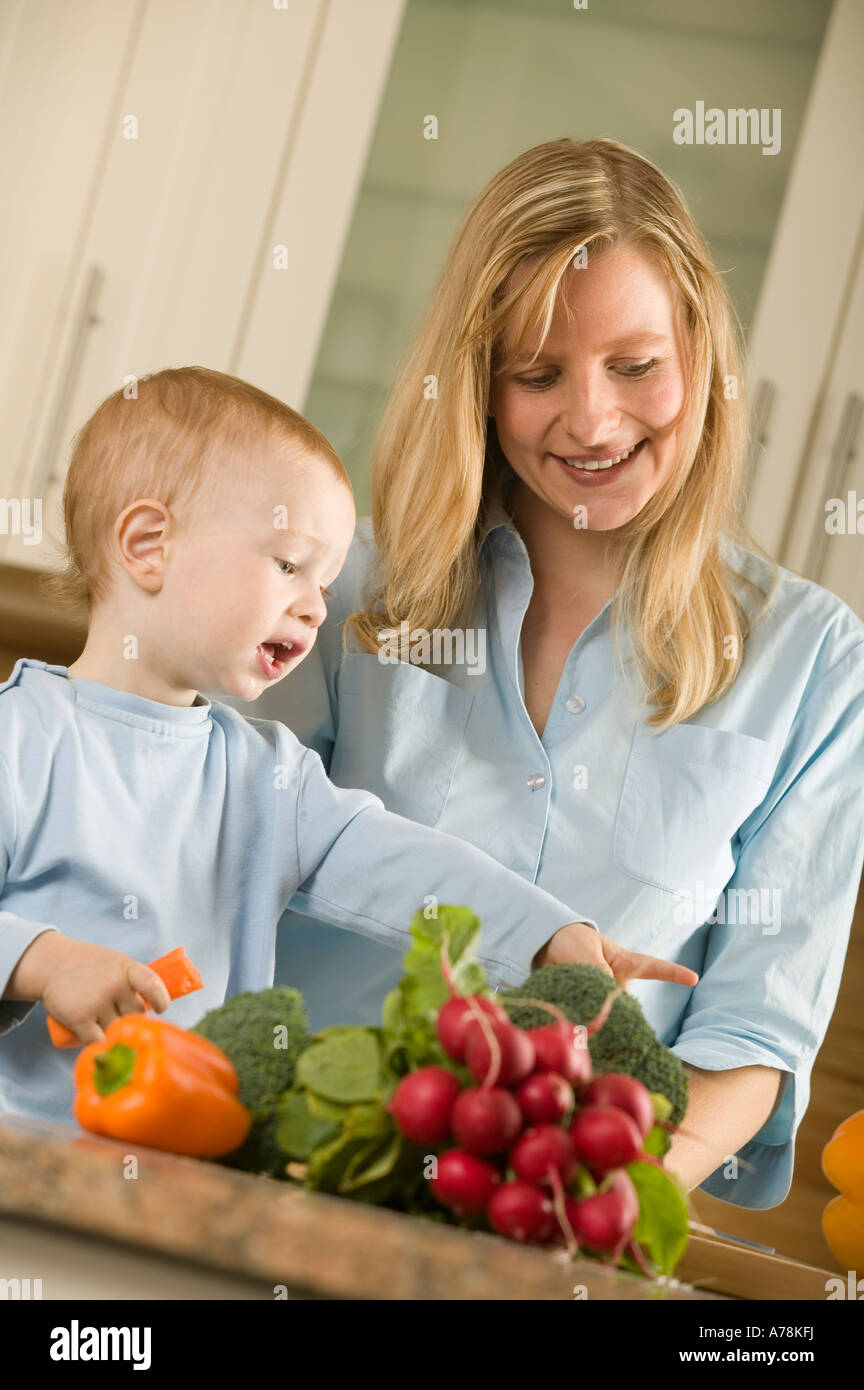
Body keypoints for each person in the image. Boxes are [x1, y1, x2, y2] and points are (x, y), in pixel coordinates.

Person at [249, 138, 864, 1209]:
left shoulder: (812, 659)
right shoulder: (343, 590)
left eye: (635, 366)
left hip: (559, 1223)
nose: (591, 421)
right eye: (537, 374)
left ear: (702, 358)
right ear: (477, 387)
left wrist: (605, 1197)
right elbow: (212, 861)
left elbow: (755, 1023)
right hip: (287, 1182)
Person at [0, 365, 696, 1128]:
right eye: (290, 564)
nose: (313, 607)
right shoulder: (24, 739)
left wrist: (549, 933)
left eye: (325, 583)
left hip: (181, 1173)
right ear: (147, 545)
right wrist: (43, 959)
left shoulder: (267, 779)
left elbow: (403, 865)